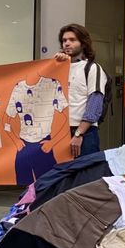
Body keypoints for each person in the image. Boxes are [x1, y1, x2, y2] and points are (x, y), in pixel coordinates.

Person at [52, 24, 108, 158]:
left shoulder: (92, 68)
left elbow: (95, 104)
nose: (67, 43)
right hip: (59, 132)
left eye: (72, 40)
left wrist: (79, 134)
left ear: (83, 43)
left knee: (85, 170)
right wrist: (53, 64)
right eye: (64, 40)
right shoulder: (59, 68)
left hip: (84, 133)